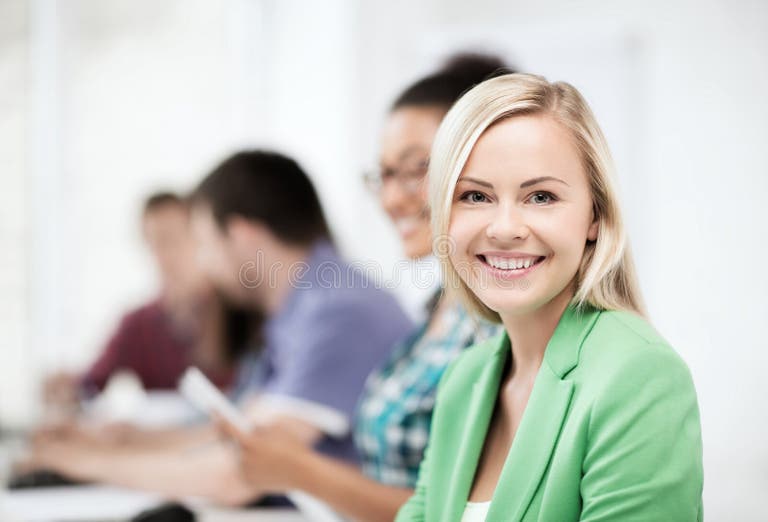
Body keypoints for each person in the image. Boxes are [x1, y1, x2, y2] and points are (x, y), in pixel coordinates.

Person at [391, 73, 704, 521]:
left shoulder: (640, 376)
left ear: (595, 215)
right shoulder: (466, 377)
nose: (504, 228)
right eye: (475, 196)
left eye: (540, 196)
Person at [25, 150, 412, 503]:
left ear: (241, 234)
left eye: (203, 243)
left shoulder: (338, 313)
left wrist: (84, 462)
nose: (203, 263)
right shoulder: (297, 312)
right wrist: (122, 440)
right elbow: (234, 432)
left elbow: (242, 470)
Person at [217, 54, 509, 521]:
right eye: (384, 175)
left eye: (416, 168)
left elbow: (458, 512)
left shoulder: (499, 325)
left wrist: (301, 470)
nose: (391, 198)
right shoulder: (436, 312)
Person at [43, 192, 239, 414]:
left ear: (201, 237)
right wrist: (66, 388)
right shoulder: (139, 324)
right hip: (160, 435)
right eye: (152, 242)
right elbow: (89, 385)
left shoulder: (239, 312)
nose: (162, 255)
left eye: (171, 239)